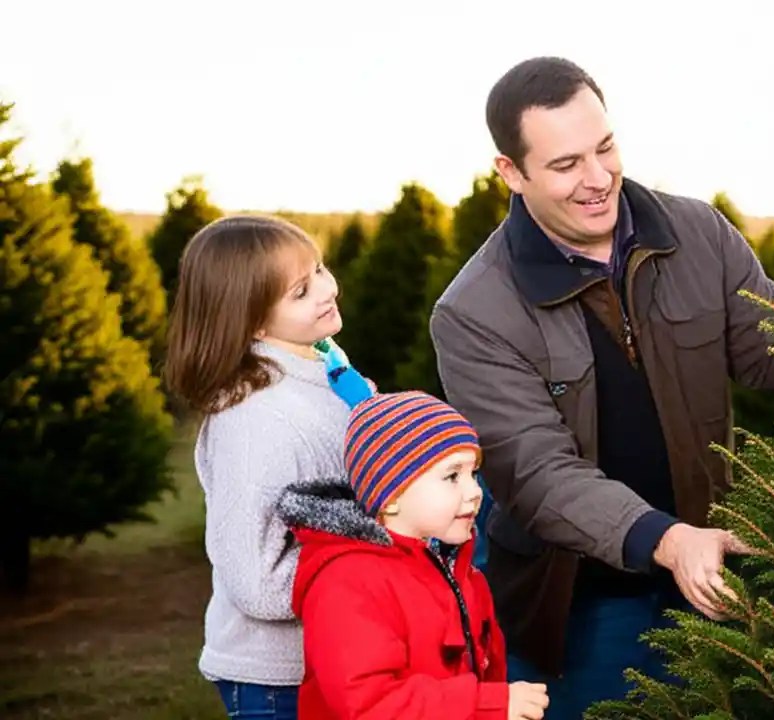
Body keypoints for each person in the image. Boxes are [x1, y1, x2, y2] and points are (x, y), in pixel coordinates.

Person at [429, 56, 774, 718]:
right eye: (566, 165)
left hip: (714, 578)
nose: (599, 180)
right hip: (584, 607)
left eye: (605, 148)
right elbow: (539, 477)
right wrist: (667, 538)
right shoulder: (476, 311)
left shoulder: (698, 234)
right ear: (511, 173)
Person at [165, 215, 353, 719]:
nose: (326, 290)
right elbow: (257, 583)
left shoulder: (325, 363)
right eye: (300, 291)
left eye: (319, 269)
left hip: (340, 661)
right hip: (279, 682)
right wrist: (368, 563)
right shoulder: (254, 421)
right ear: (251, 320)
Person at [276, 391, 550, 719]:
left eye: (473, 473)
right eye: (452, 476)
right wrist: (488, 705)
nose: (475, 491)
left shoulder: (457, 569)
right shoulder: (348, 581)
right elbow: (369, 703)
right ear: (391, 495)